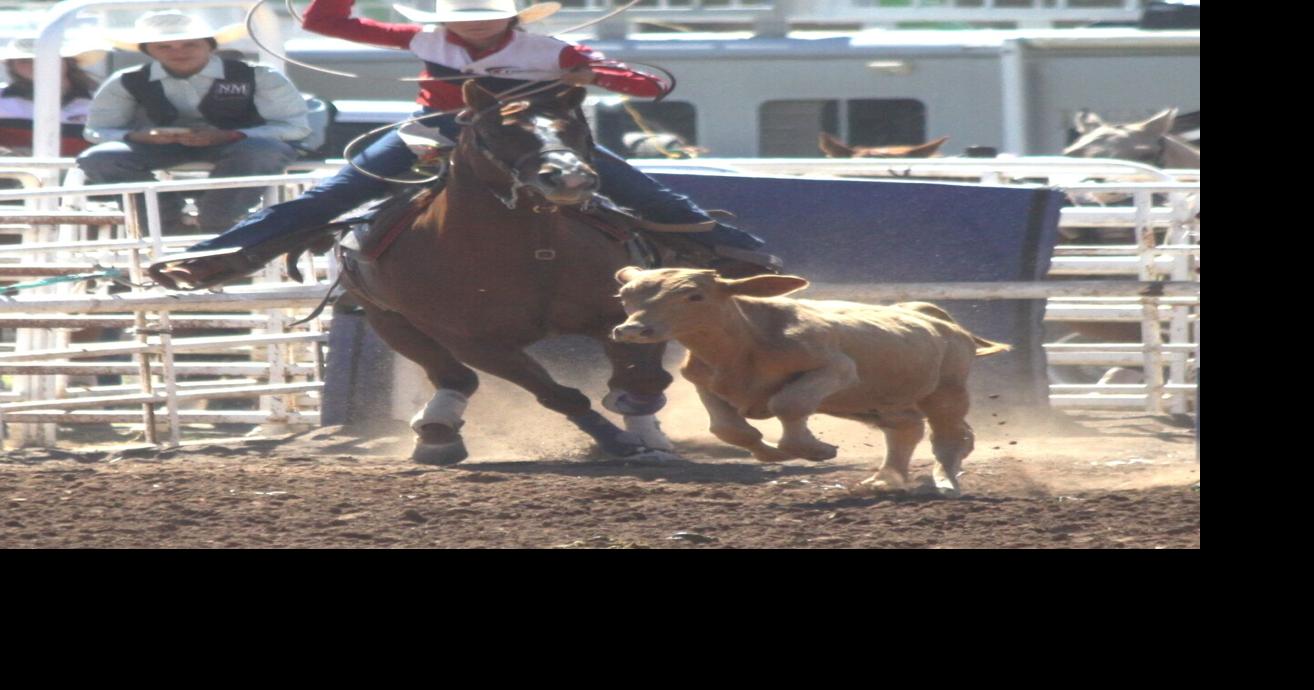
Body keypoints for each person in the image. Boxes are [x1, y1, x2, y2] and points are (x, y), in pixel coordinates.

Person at [149, 0, 776, 290]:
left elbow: (650, 84)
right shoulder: (426, 38)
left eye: (486, 12)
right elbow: (322, 20)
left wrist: (596, 75)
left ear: (513, 14)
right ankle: (215, 257)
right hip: (437, 133)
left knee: (642, 189)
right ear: (444, 15)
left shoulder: (551, 50)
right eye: (463, 12)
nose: (474, 21)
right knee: (332, 194)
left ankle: (739, 255)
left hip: (532, 139)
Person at [76, 11, 311, 237]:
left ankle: (217, 223)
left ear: (209, 45)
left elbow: (295, 127)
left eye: (189, 44)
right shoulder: (126, 80)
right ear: (149, 51)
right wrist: (140, 137)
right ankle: (161, 223)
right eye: (164, 46)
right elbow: (97, 129)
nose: (178, 52)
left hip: (241, 147)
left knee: (262, 152)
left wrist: (231, 135)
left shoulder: (259, 75)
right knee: (99, 158)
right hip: (157, 147)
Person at [0, 37, 105, 156]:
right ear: (12, 67)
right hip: (14, 173)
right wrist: (7, 154)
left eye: (46, 57)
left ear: (67, 61)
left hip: (85, 172)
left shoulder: (100, 102)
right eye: (25, 60)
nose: (36, 64)